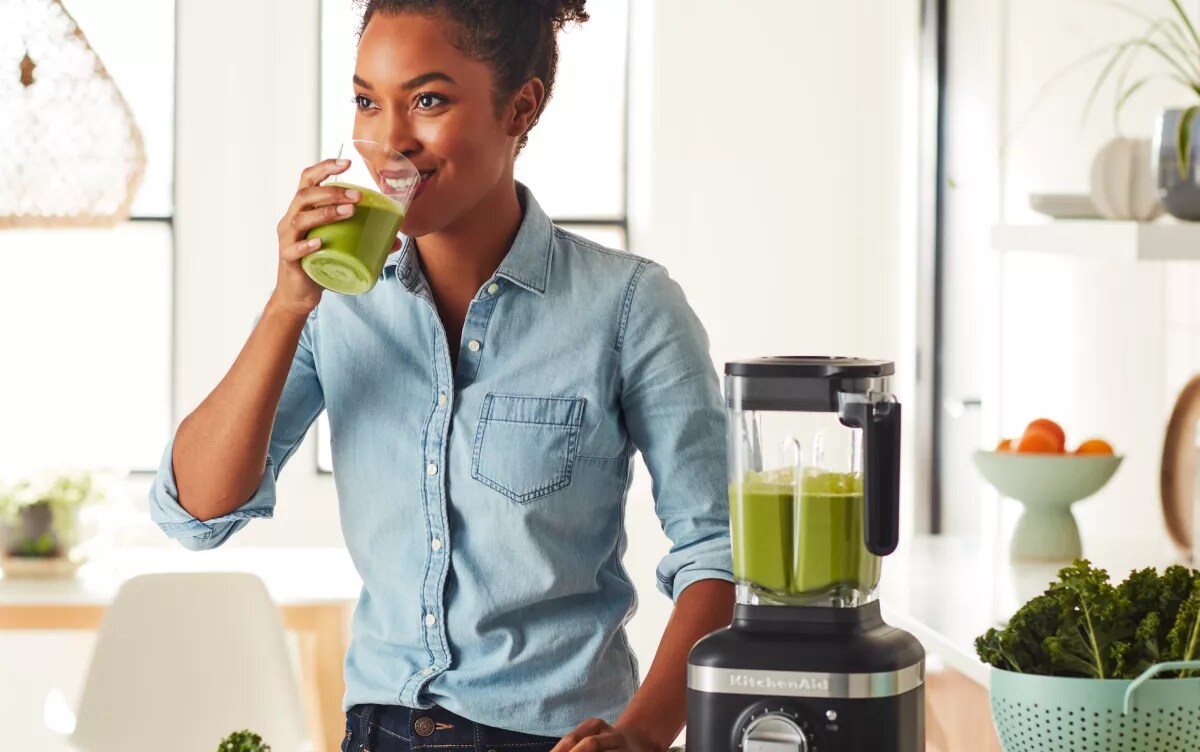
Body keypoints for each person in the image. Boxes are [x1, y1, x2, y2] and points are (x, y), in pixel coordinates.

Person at [149, 2, 733, 750]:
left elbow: (715, 554)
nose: (389, 141)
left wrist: (644, 736)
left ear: (521, 105)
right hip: (378, 732)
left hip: (556, 739)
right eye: (367, 101)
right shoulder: (336, 307)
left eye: (428, 100)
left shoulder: (628, 308)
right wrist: (287, 304)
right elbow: (196, 513)